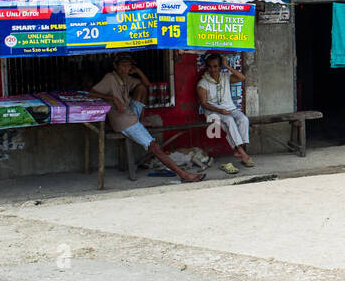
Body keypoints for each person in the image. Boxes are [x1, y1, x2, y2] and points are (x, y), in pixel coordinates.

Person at [90, 55, 204, 183]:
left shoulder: (125, 78)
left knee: (141, 88)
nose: (125, 68)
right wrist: (112, 99)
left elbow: (147, 84)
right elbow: (91, 93)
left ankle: (141, 120)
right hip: (124, 121)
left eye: (128, 65)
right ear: (115, 66)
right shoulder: (110, 78)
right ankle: (183, 174)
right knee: (154, 146)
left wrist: (137, 71)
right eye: (122, 65)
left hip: (131, 116)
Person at [197, 52, 254, 171]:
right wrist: (220, 110)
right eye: (210, 66)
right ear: (207, 67)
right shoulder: (203, 83)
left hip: (230, 108)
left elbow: (242, 78)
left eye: (216, 66)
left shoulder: (225, 76)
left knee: (243, 119)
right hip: (212, 112)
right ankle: (242, 153)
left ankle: (237, 149)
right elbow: (204, 104)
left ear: (220, 66)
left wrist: (227, 66)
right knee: (229, 121)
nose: (213, 69)